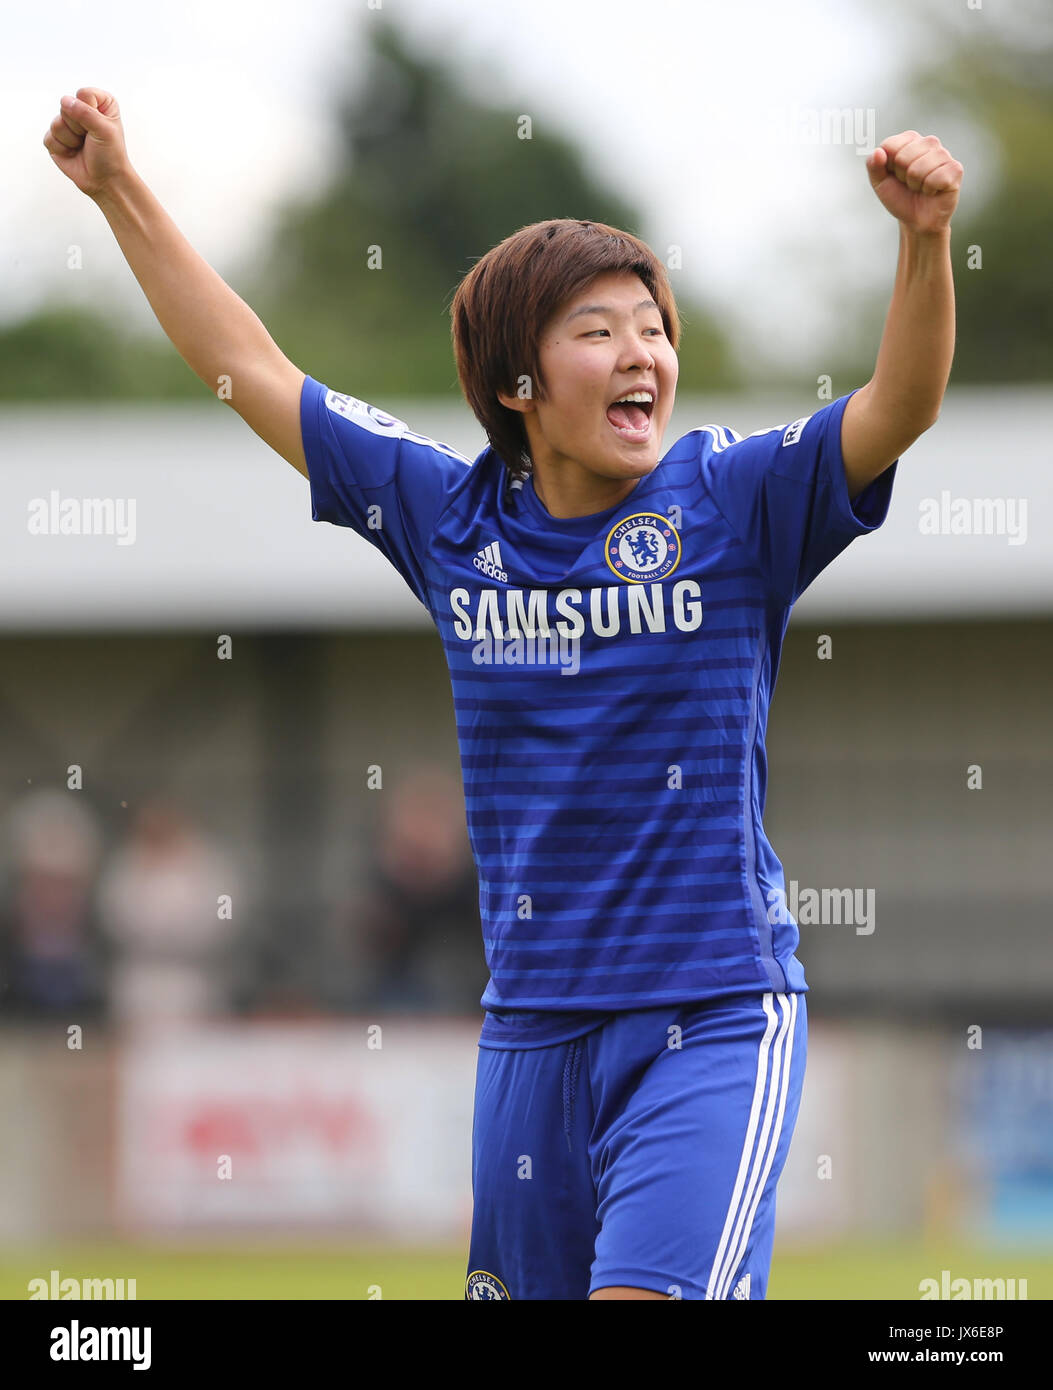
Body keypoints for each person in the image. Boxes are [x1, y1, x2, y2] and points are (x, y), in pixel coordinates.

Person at [44, 88, 961, 1299]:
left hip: (716, 1011)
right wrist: (116, 186)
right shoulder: (448, 515)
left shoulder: (733, 501)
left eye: (656, 328)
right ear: (516, 383)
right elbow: (245, 365)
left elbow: (899, 407)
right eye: (600, 331)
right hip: (528, 1031)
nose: (645, 355)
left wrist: (925, 237)